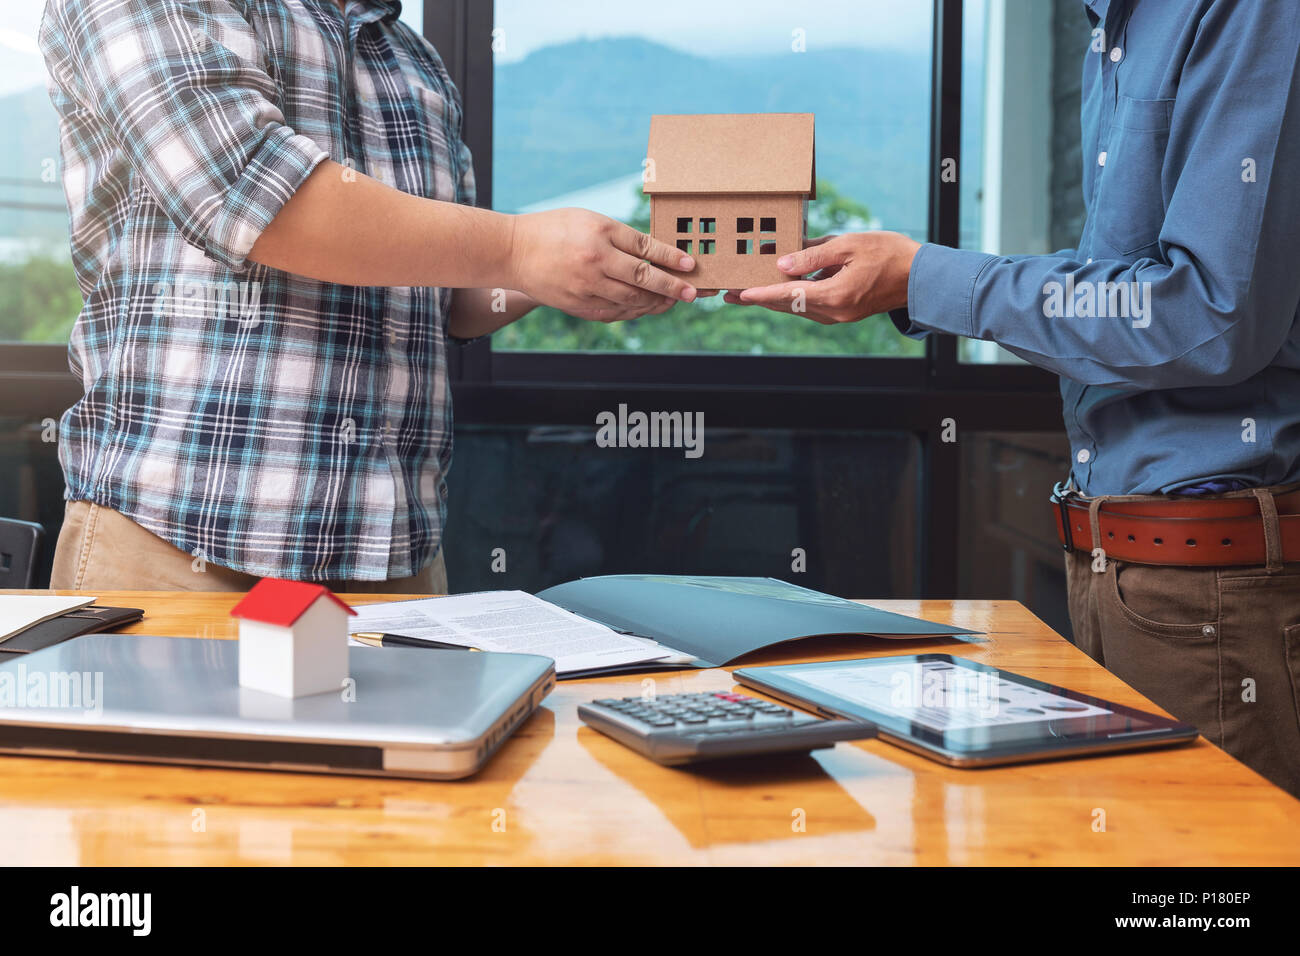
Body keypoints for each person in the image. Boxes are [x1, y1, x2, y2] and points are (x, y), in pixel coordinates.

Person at [736, 0, 1300, 797]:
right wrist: (920, 281)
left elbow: (1207, 315)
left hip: (1218, 585)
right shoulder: (1113, 29)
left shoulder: (1249, 11)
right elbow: (1127, 288)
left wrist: (924, 276)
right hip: (1118, 568)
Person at [38, 0, 697, 594]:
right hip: (177, 549)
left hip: (394, 560)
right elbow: (251, 194)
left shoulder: (414, 59)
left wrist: (582, 270)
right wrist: (523, 247)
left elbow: (447, 290)